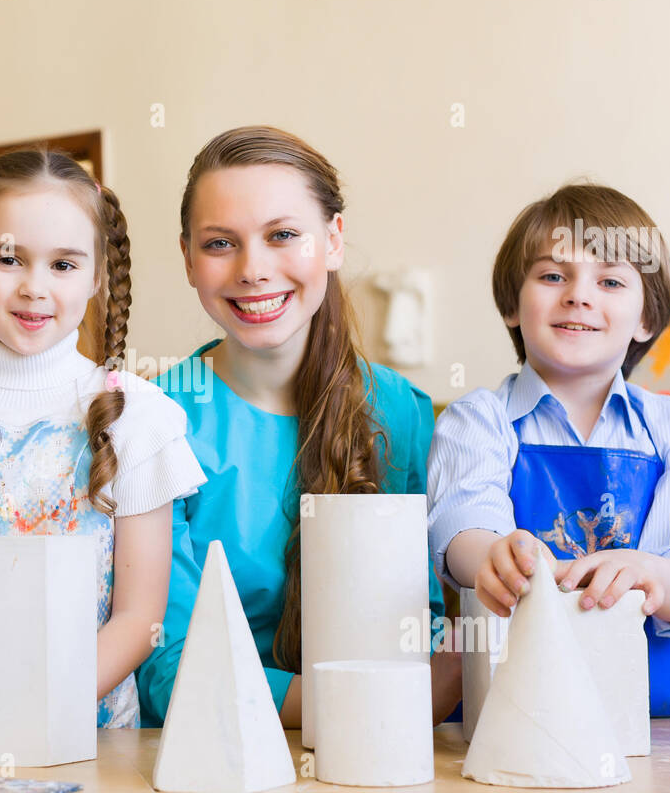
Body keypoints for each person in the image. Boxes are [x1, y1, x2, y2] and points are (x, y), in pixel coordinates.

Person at [0, 148, 205, 752]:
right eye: (7, 258)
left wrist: (30, 707)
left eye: (64, 264)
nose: (34, 287)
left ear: (99, 274)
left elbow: (139, 619)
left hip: (92, 746)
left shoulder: (140, 418)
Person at [137, 126, 456, 729]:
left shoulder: (399, 409)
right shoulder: (154, 420)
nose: (253, 269)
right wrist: (352, 705)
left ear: (333, 240)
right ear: (187, 258)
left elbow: (422, 624)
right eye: (220, 243)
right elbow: (164, 664)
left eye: (283, 235)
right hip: (210, 757)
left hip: (377, 749)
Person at [428, 183, 670, 716]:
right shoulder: (478, 420)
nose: (579, 295)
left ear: (646, 319)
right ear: (513, 303)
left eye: (609, 281)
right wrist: (493, 555)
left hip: (669, 707)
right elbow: (460, 526)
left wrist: (650, 572)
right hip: (522, 710)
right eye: (553, 276)